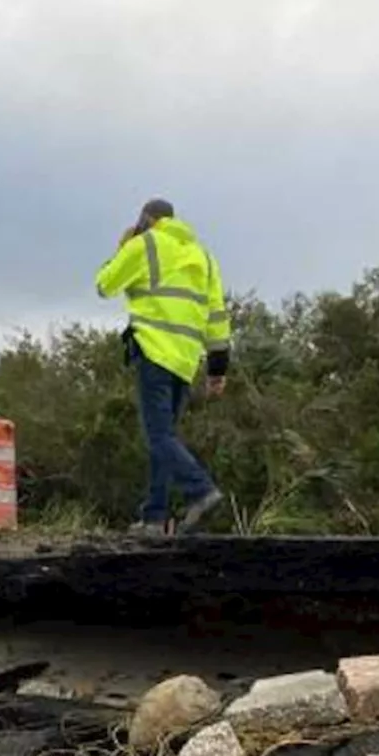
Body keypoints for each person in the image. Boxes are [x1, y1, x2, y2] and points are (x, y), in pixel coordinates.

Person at [95, 198, 230, 534]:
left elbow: (104, 285)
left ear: (146, 219)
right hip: (186, 360)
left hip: (155, 351)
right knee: (164, 437)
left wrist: (125, 246)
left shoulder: (145, 245)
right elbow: (217, 318)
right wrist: (217, 370)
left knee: (158, 436)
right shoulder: (205, 258)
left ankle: (201, 490)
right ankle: (154, 517)